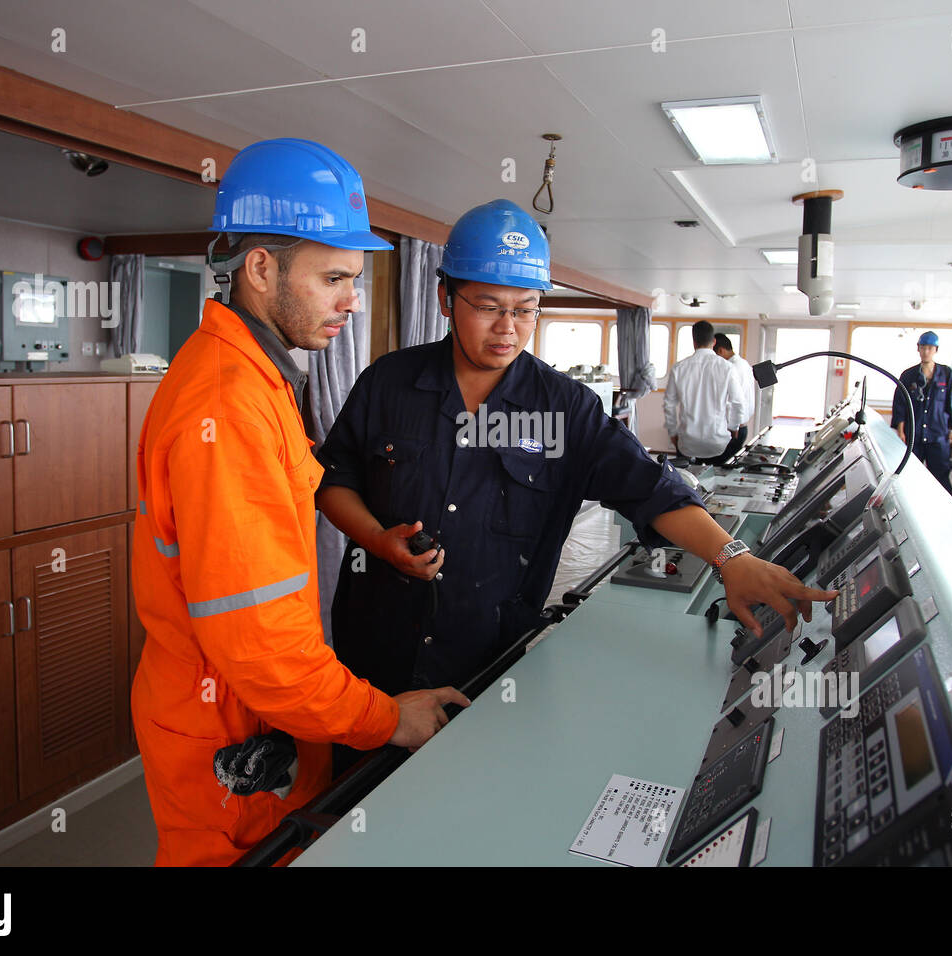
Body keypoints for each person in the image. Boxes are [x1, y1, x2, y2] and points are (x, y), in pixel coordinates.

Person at [316, 198, 835, 721]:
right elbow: (336, 480)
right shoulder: (388, 383)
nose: (507, 328)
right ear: (446, 298)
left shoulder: (565, 409)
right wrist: (378, 541)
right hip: (372, 657)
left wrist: (732, 559)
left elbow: (650, 488)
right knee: (350, 790)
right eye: (488, 306)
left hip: (486, 669)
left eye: (524, 309)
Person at [131, 139, 467, 866]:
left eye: (356, 277)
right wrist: (383, 719)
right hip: (231, 738)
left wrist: (376, 539)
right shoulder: (228, 405)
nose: (353, 300)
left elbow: (292, 505)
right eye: (334, 278)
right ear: (259, 268)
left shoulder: (258, 376)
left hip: (268, 718)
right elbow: (259, 647)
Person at [890, 330, 952, 496]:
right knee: (909, 475)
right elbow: (900, 405)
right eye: (923, 347)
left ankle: (948, 512)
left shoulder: (946, 373)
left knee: (941, 476)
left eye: (930, 348)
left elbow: (951, 402)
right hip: (914, 435)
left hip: (938, 435)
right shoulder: (908, 375)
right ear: (918, 349)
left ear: (936, 350)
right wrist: (900, 431)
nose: (926, 351)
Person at [664, 320, 741, 465]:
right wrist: (734, 427)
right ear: (714, 341)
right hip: (718, 442)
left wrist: (672, 432)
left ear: (694, 342)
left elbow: (669, 404)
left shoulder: (679, 368)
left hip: (688, 442)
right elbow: (738, 402)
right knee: (718, 483)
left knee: (687, 483)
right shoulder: (727, 367)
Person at [714, 333, 755, 461]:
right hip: (742, 427)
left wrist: (733, 427)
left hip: (733, 429)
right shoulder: (744, 364)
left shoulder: (731, 368)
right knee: (727, 465)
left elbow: (732, 401)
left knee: (718, 467)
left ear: (720, 350)